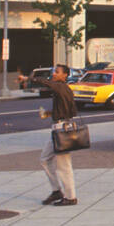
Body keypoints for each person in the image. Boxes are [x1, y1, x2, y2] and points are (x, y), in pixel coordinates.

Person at [18, 64, 79, 205]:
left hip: (61, 130)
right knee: (45, 159)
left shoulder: (60, 86)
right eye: (54, 72)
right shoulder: (65, 90)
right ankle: (56, 191)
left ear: (65, 75)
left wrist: (28, 78)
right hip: (59, 128)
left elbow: (46, 83)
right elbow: (71, 111)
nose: (54, 74)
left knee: (64, 165)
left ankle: (70, 197)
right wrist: (50, 113)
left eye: (57, 72)